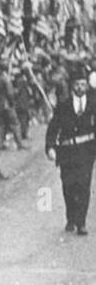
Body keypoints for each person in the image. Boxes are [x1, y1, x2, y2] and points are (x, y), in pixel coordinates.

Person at [44, 68, 96, 235]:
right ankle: (70, 218)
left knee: (83, 185)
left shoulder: (93, 104)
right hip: (67, 151)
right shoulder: (64, 105)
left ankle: (81, 222)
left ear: (87, 85)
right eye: (77, 84)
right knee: (68, 186)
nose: (80, 87)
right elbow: (53, 127)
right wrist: (50, 147)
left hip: (86, 151)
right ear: (72, 86)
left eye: (83, 84)